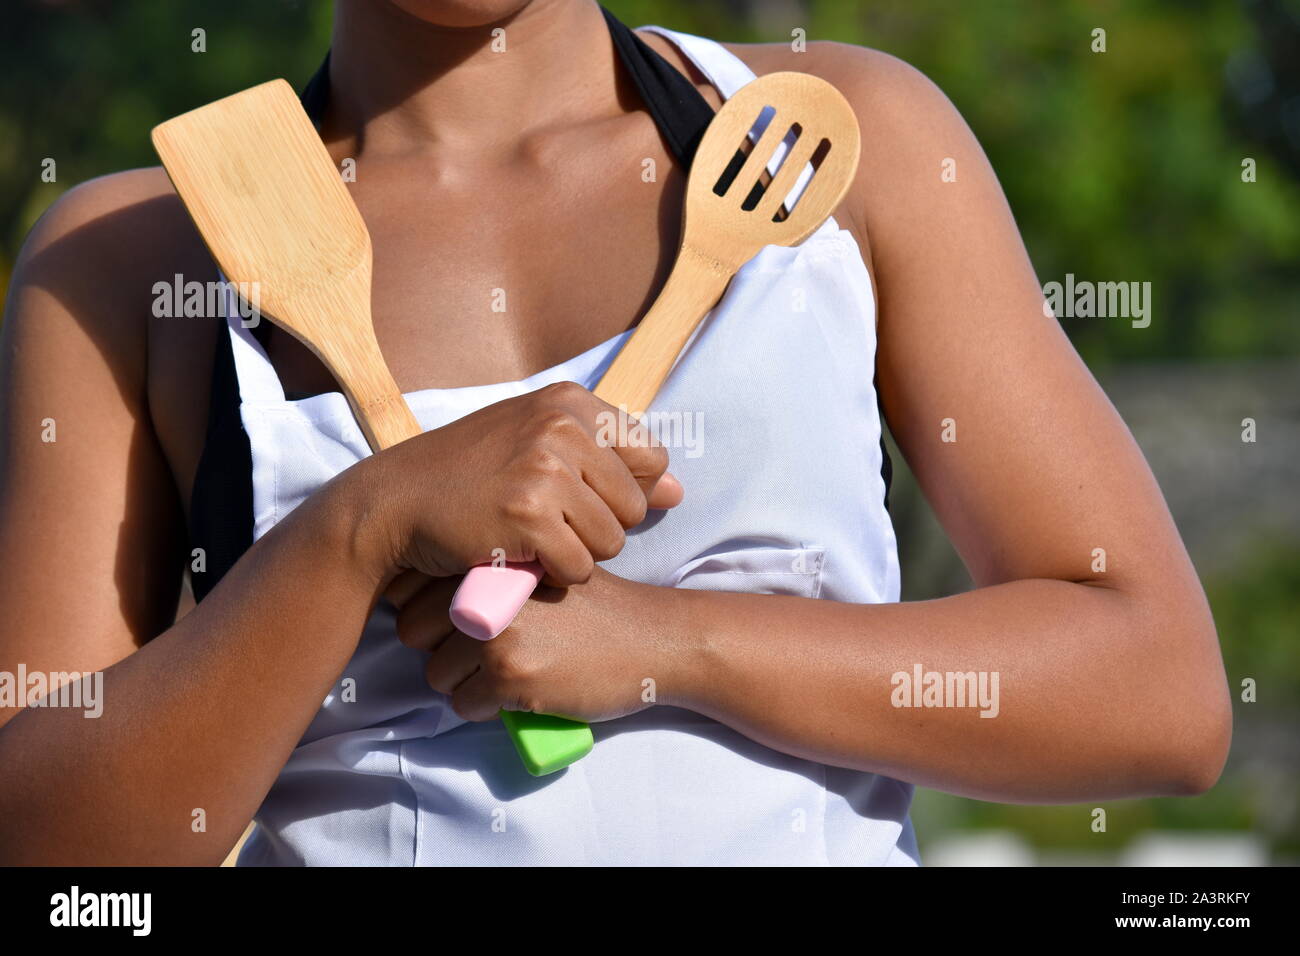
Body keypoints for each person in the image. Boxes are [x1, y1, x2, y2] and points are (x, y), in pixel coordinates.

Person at [0, 0, 1231, 865]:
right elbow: (44, 848)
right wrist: (354, 532)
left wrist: (669, 642)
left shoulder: (833, 146)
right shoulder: (130, 257)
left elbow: (1158, 689)